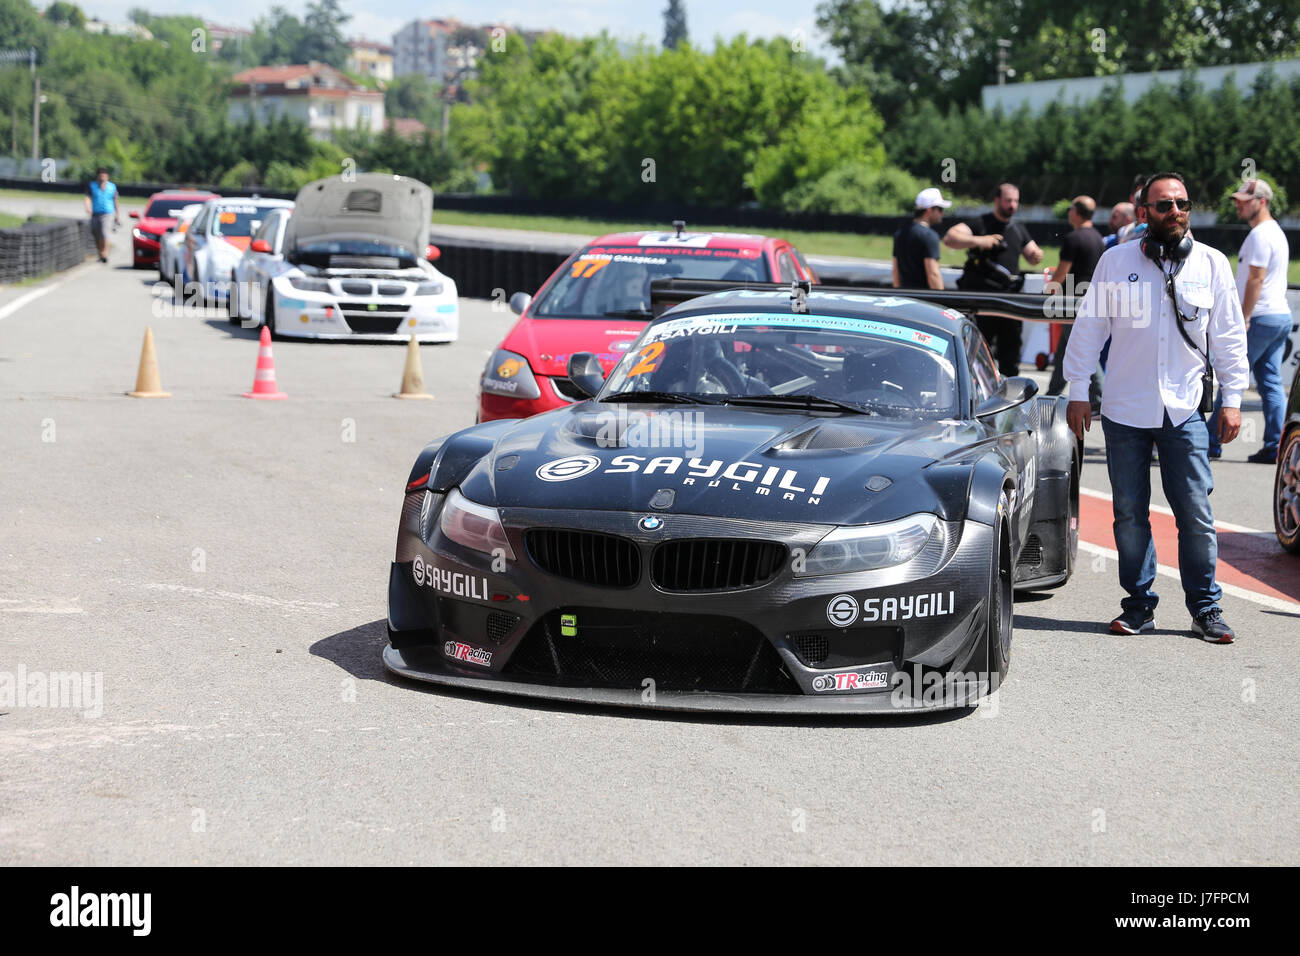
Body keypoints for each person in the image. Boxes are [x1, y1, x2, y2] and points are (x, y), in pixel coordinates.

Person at [1064, 172, 1249, 644]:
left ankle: (1205, 608)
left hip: (1185, 410)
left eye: (1182, 203)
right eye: (1164, 205)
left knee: (1196, 515)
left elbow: (1228, 337)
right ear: (1143, 211)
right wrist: (1078, 389)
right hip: (1125, 409)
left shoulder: (1211, 264)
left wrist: (1231, 400)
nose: (1175, 212)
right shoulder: (1115, 261)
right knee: (1129, 514)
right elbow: (1089, 328)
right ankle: (1139, 605)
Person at [1206, 178, 1293, 464]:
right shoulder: (1274, 232)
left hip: (1259, 316)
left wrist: (1242, 317)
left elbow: (1255, 278)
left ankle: (1209, 443)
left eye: (1245, 201)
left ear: (1262, 201)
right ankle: (1274, 445)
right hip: (1277, 314)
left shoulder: (1260, 235)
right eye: (1238, 201)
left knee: (1232, 374)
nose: (1239, 206)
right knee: (1270, 381)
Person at [943, 182, 1044, 376]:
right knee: (979, 352)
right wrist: (980, 241)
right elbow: (950, 238)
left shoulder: (1018, 228)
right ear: (997, 200)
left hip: (1009, 302)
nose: (1012, 205)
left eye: (1015, 201)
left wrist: (1035, 255)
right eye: (1008, 200)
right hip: (983, 302)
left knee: (1010, 353)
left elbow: (1032, 253)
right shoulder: (980, 223)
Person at [1047, 195, 1106, 402]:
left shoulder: (1074, 239)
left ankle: (1100, 397)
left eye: (1071, 208)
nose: (1069, 212)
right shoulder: (1098, 238)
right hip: (1090, 300)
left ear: (1077, 212)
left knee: (1081, 350)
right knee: (1065, 350)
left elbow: (1061, 273)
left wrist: (1047, 293)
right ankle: (1052, 393)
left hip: (1071, 303)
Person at [892, 187, 951, 290]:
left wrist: (898, 295)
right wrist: (941, 299)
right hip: (924, 299)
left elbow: (895, 271)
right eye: (940, 209)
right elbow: (933, 274)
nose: (942, 213)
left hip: (905, 297)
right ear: (929, 210)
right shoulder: (929, 236)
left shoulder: (900, 233)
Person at [83, 167, 120, 264]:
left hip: (108, 213)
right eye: (100, 176)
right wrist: (88, 207)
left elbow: (115, 201)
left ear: (107, 177)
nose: (102, 178)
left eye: (104, 176)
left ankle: (105, 254)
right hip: (95, 213)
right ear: (97, 177)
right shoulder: (92, 186)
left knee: (104, 233)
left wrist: (117, 215)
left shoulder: (112, 187)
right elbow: (87, 198)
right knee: (96, 233)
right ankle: (100, 253)